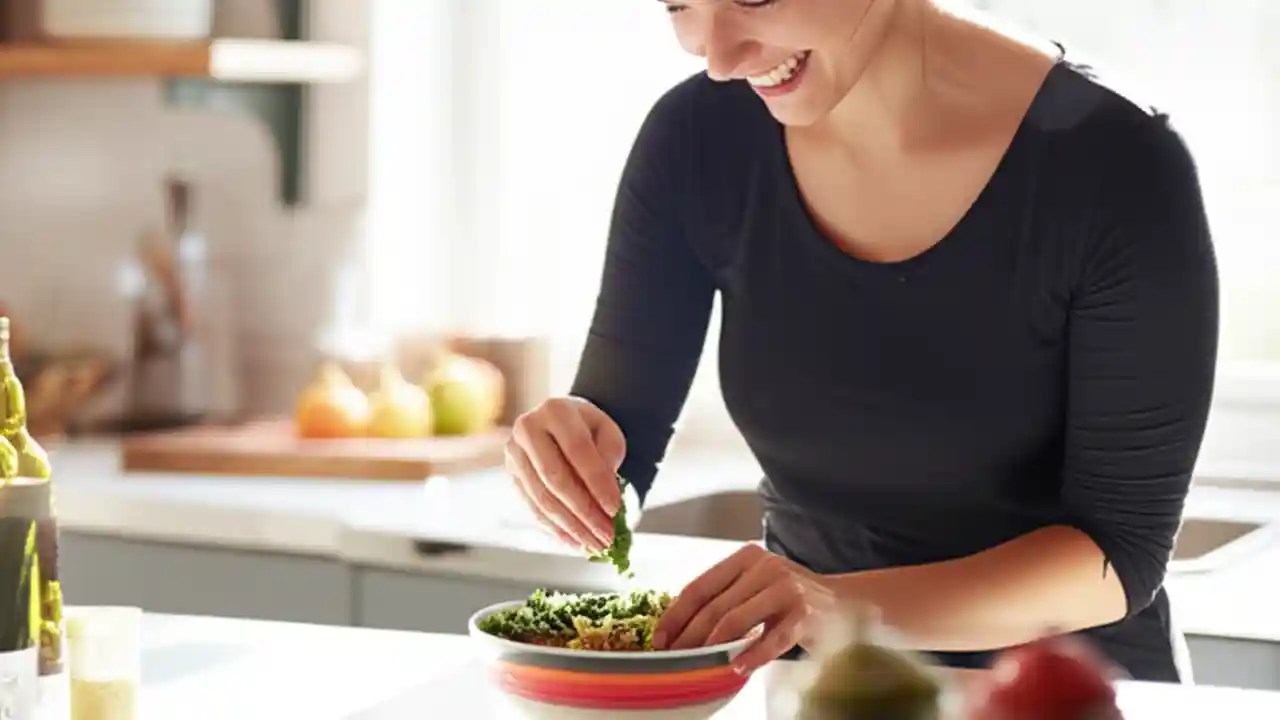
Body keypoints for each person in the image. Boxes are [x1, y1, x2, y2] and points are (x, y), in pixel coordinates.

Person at [504, 0, 1218, 682]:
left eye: (755, 1)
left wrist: (837, 606)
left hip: (1064, 696)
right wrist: (573, 466)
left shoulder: (1119, 164)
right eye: (677, 6)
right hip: (823, 690)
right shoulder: (697, 141)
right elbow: (618, 452)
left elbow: (1118, 556)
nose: (718, 57)